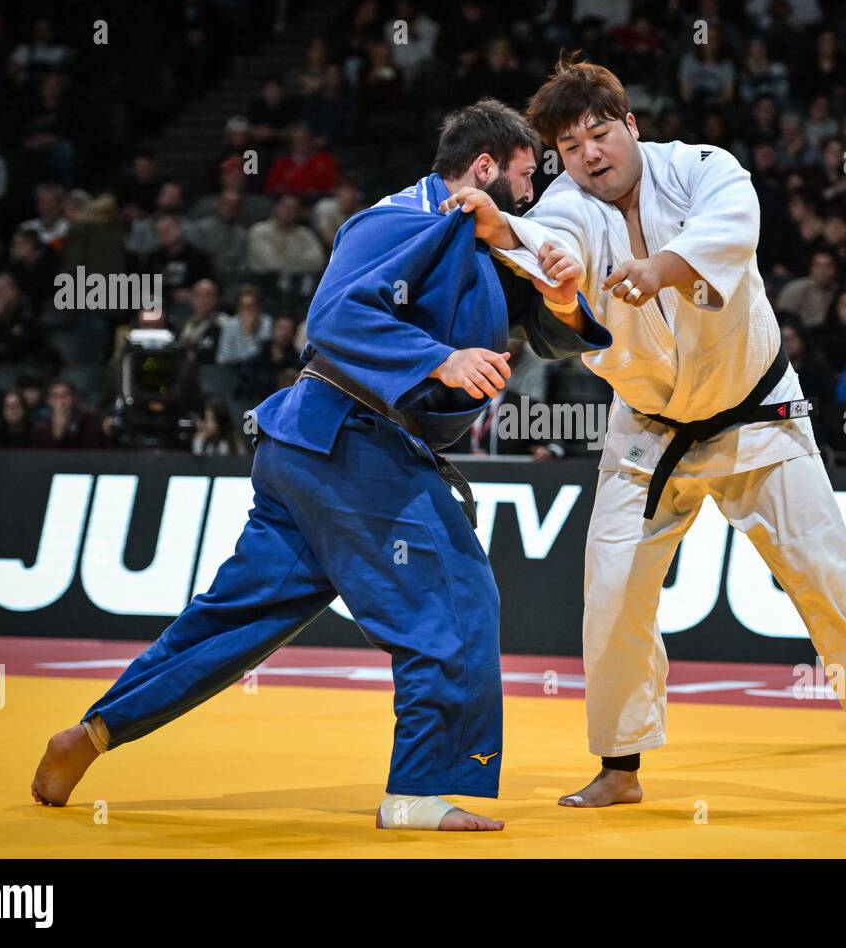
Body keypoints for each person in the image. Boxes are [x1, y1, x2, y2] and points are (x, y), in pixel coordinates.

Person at [30, 100, 610, 832]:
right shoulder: (401, 219)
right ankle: (419, 791)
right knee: (453, 597)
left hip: (315, 453)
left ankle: (94, 733)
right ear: (485, 167)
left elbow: (557, 332)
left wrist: (561, 298)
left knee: (237, 618)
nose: (529, 198)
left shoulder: (484, 242)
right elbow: (334, 317)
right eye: (524, 179)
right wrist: (440, 357)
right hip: (353, 442)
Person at [450, 58, 846, 811]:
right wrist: (514, 234)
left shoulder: (706, 169)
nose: (590, 155)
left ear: (631, 124)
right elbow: (552, 239)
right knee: (612, 589)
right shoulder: (570, 203)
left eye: (600, 134)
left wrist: (664, 266)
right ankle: (621, 766)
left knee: (828, 576)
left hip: (755, 415)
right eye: (571, 147)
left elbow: (731, 231)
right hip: (648, 431)